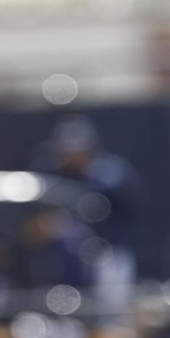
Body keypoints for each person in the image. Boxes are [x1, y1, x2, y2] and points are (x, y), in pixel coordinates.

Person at [33, 117, 145, 317]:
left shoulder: (109, 175)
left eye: (75, 151)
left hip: (108, 253)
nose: (69, 156)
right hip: (68, 262)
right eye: (65, 151)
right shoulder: (53, 172)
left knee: (111, 313)